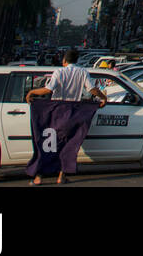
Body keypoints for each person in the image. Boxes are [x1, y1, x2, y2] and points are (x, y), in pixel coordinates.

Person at [25, 49, 106, 185]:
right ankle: (61, 176)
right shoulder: (83, 72)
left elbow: (48, 90)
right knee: (67, 146)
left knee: (47, 145)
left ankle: (39, 177)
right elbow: (92, 89)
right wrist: (103, 98)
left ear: (64, 60)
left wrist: (32, 92)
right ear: (77, 60)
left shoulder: (59, 72)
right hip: (73, 113)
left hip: (56, 112)